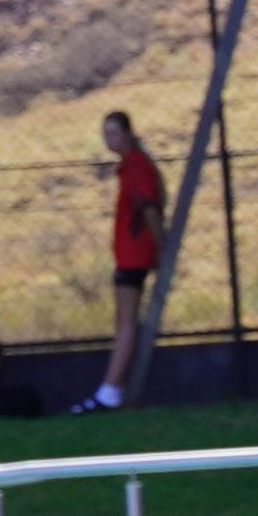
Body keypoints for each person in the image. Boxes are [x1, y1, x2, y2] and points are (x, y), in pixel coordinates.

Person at [86, 109, 170, 410]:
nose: (109, 139)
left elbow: (147, 207)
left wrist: (160, 248)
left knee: (125, 323)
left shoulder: (135, 165)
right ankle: (112, 387)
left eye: (113, 132)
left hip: (134, 254)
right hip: (130, 252)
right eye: (105, 133)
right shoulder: (131, 165)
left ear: (127, 132)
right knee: (125, 321)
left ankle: (111, 388)